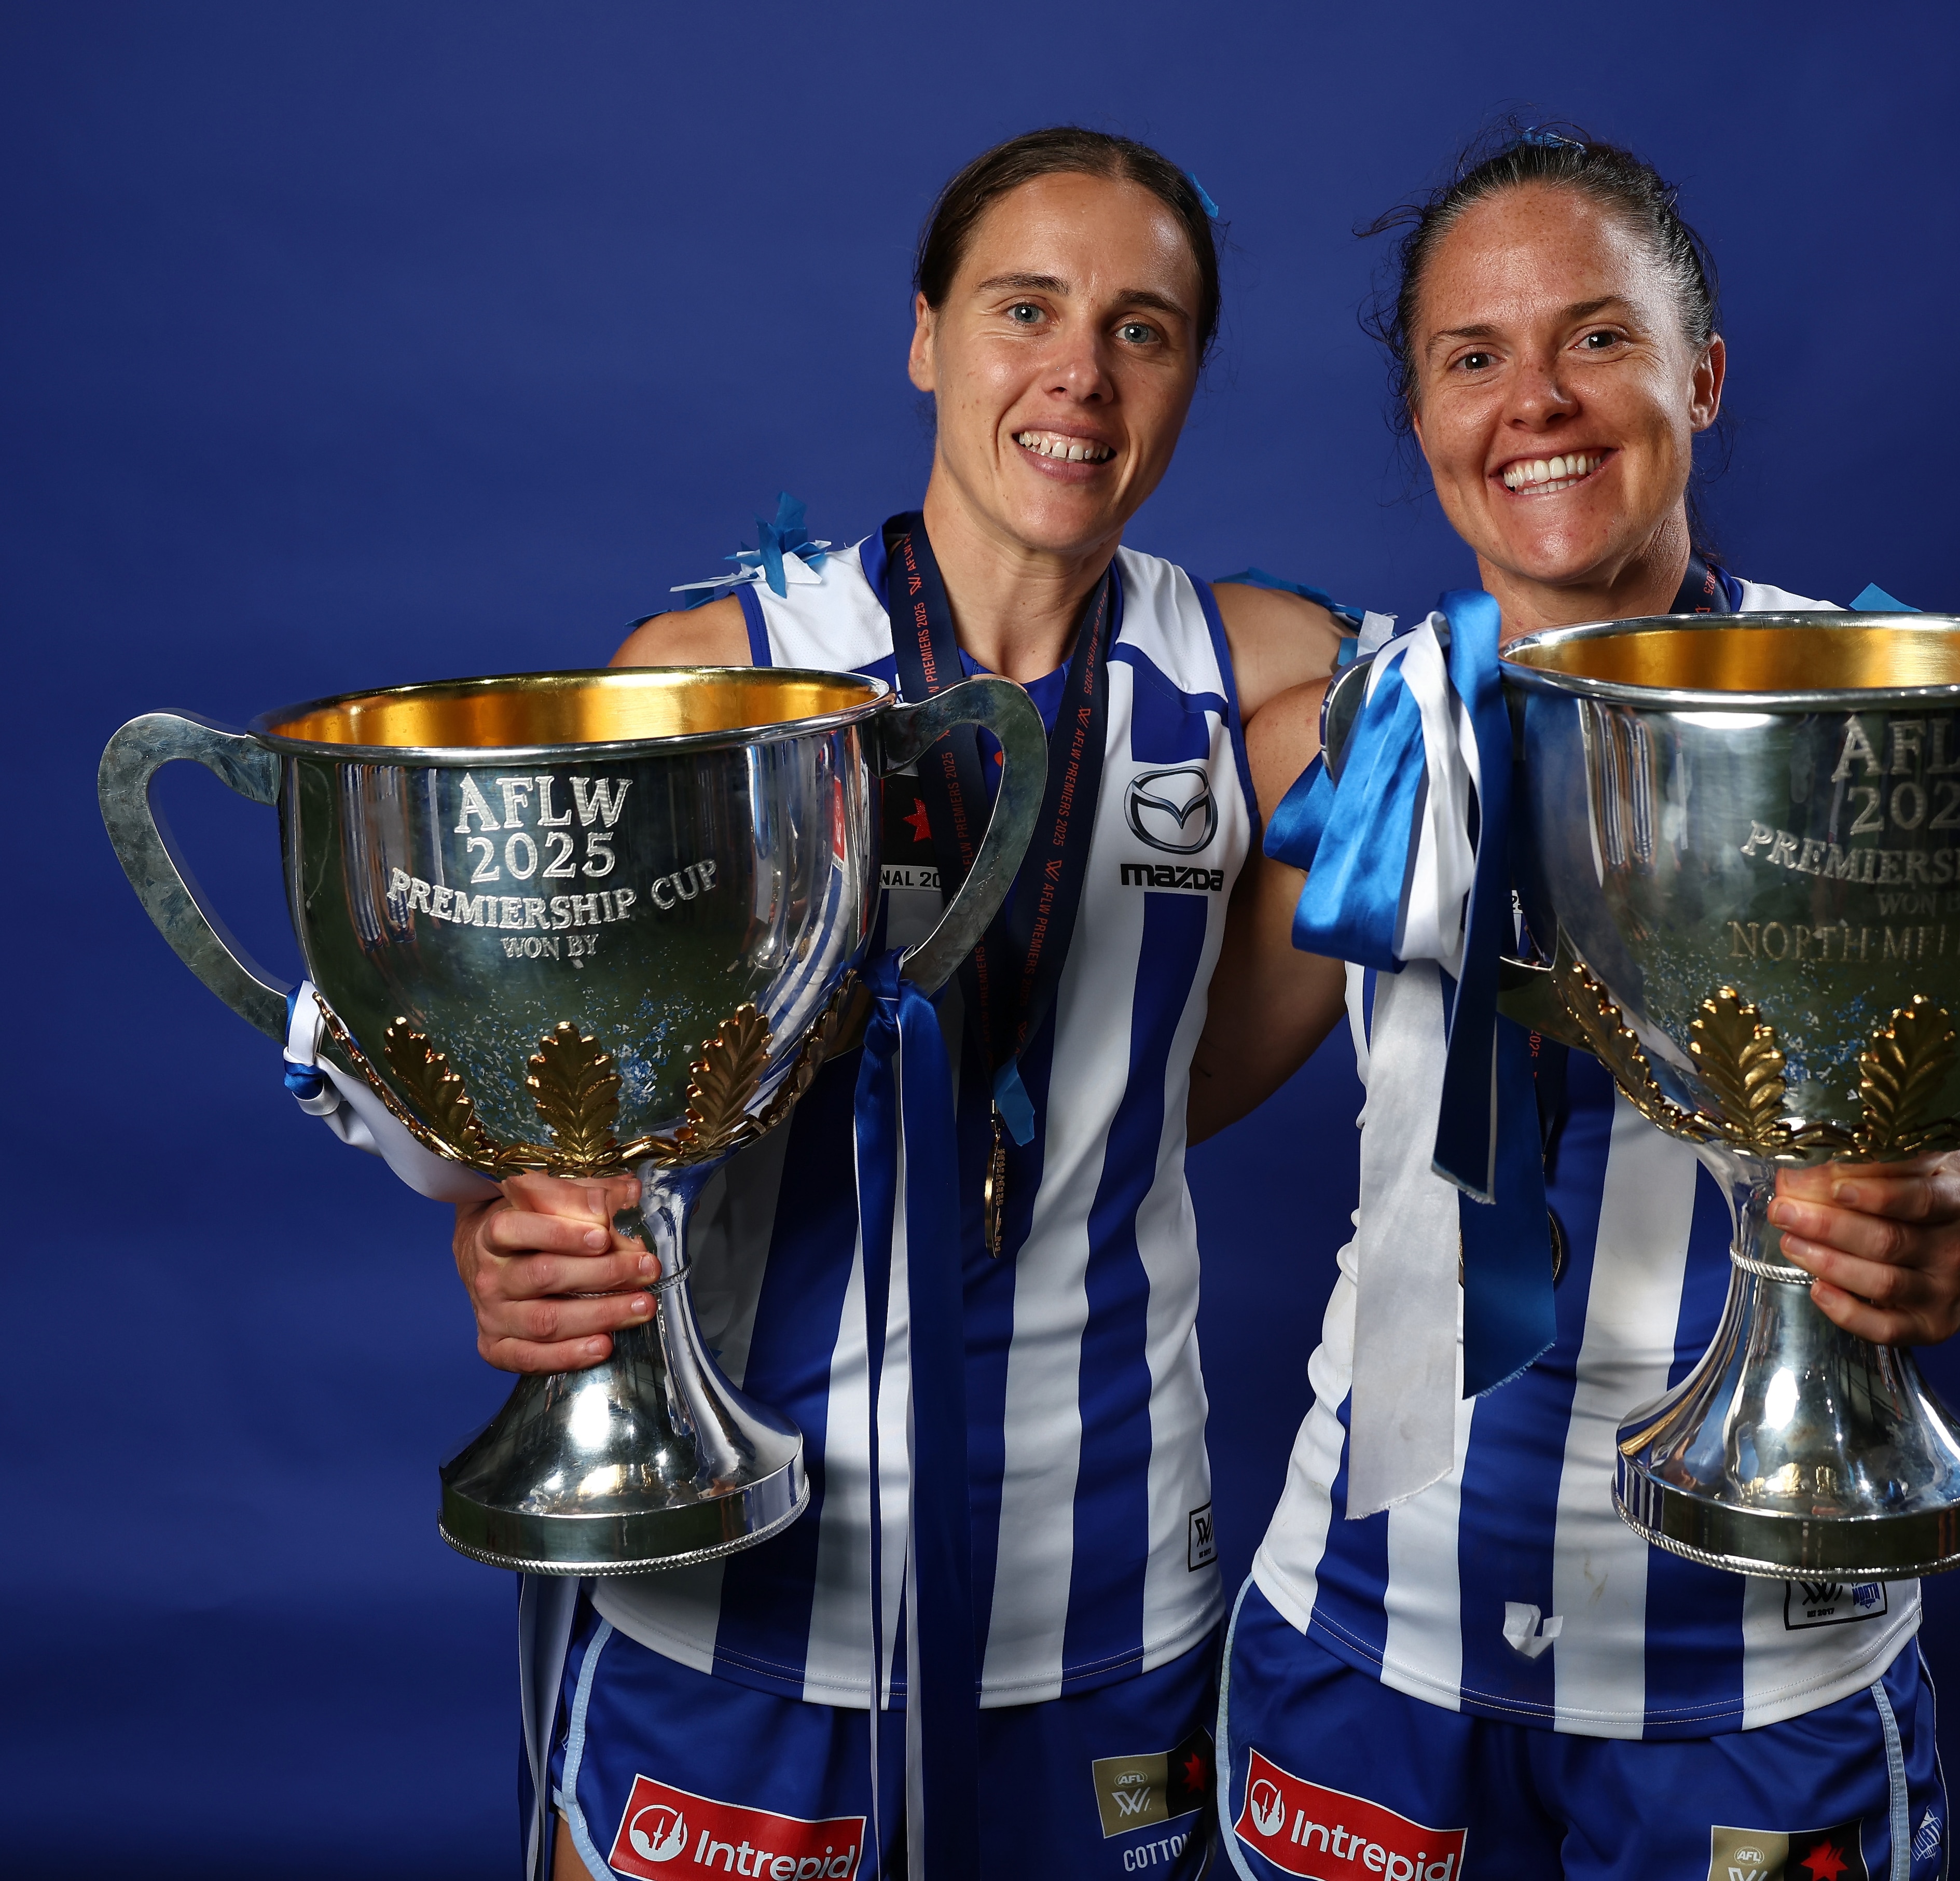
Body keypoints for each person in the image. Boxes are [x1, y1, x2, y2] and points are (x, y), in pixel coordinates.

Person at [1192, 127, 1960, 1879]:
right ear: (1423, 424)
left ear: (1700, 375)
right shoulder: (1363, 727)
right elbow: (1141, 1109)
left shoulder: (1880, 701)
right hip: (1368, 1627)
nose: (1535, 399)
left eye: (1596, 337)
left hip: (1757, 1656)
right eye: (1473, 358)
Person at [447, 127, 1347, 1880]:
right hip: (735, 1578)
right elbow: (541, 1097)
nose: (1080, 371)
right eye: (1028, 308)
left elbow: (1178, 1079)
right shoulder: (711, 678)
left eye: (1144, 327)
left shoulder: (1271, 685)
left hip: (1096, 1586)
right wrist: (511, 1227)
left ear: (1189, 380)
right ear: (926, 334)